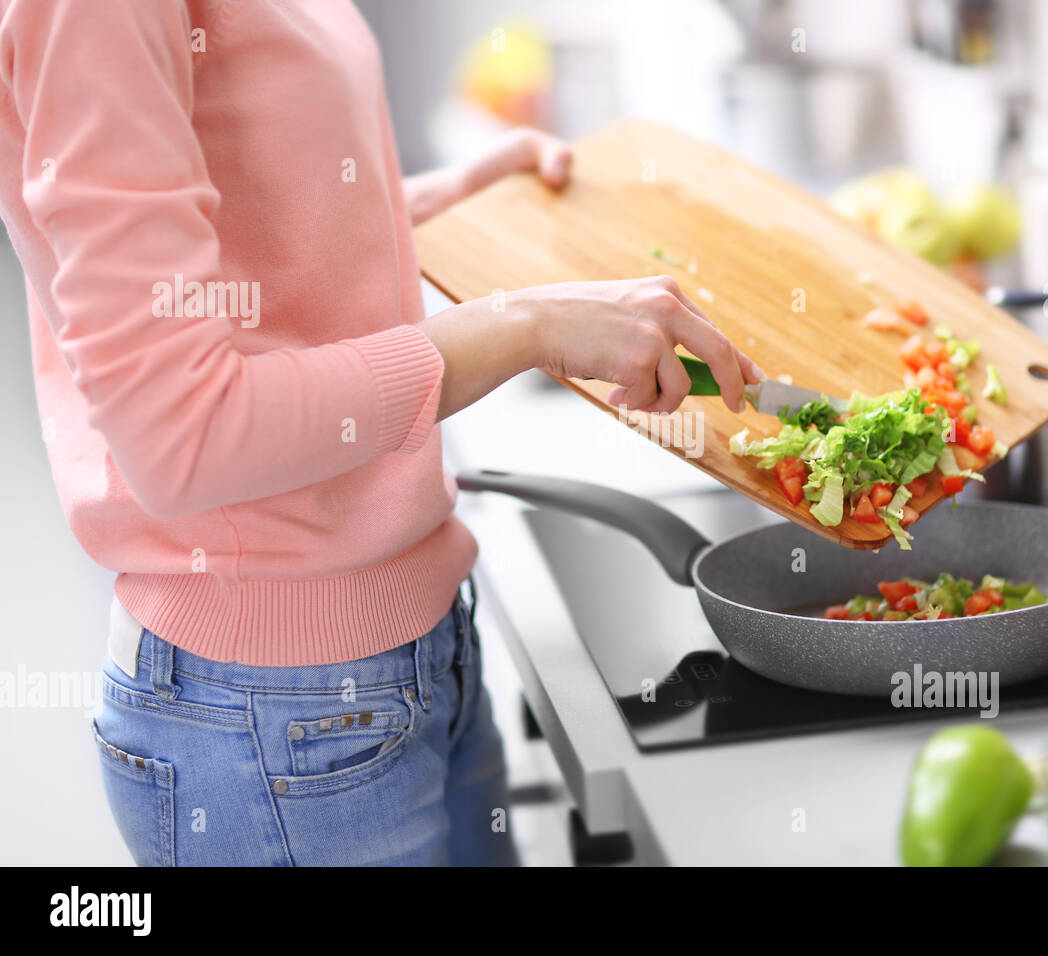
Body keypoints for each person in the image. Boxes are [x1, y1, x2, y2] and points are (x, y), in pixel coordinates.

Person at [0, 0, 761, 865]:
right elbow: (184, 432)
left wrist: (448, 208)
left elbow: (250, 230)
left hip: (413, 649)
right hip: (275, 721)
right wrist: (526, 325)